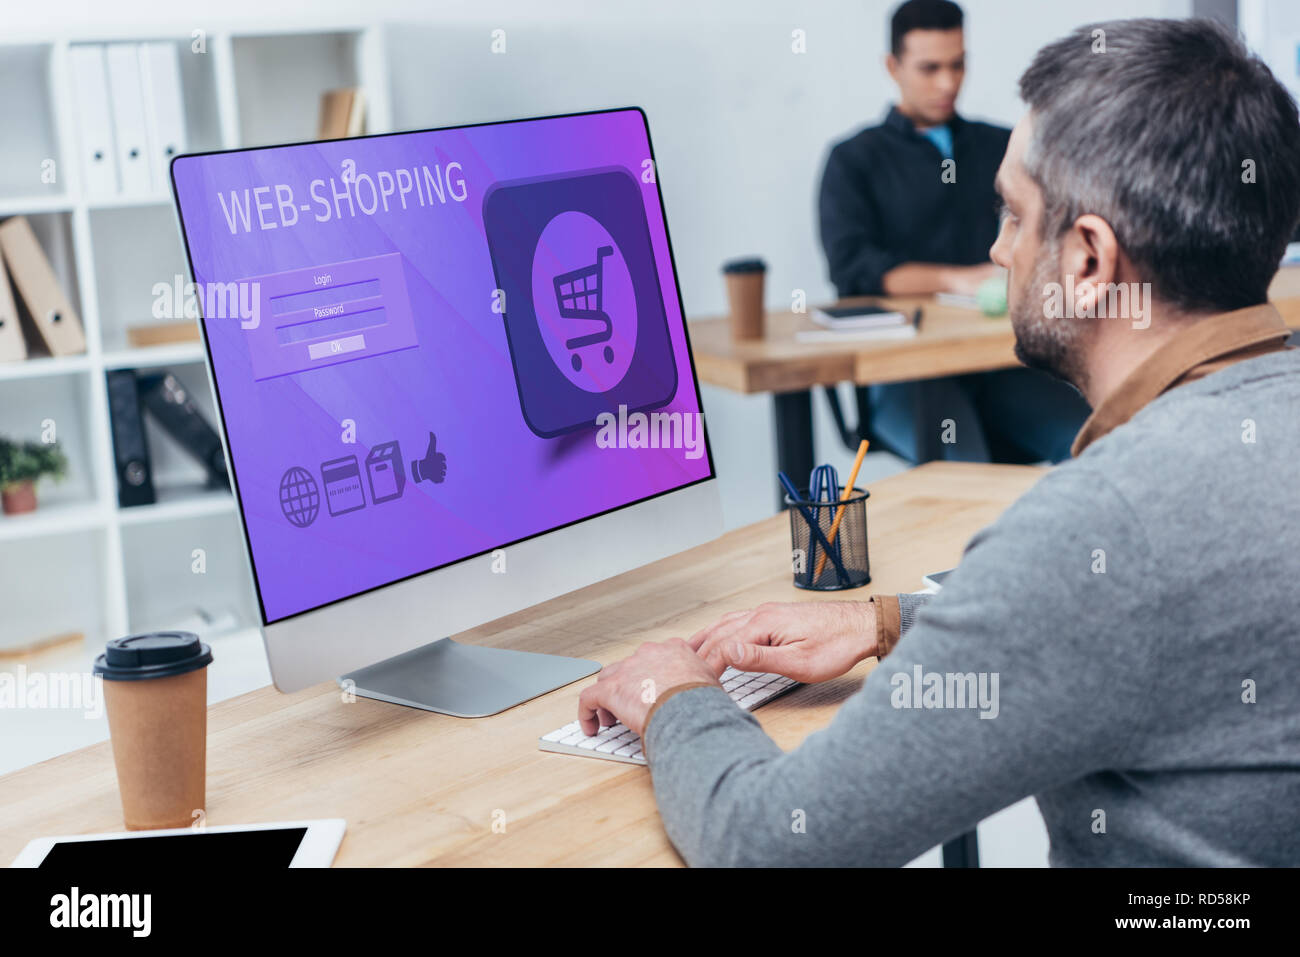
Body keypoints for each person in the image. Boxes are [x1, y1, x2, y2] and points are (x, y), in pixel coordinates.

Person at [578, 17, 1300, 866]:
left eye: (1015, 215)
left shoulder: (1105, 528)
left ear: (1090, 257)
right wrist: (894, 622)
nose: (998, 249)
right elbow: (1158, 614)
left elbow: (771, 843)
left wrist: (672, 693)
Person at [819, 0, 1089, 464]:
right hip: (909, 376)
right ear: (893, 66)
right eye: (930, 68)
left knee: (1096, 440)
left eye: (958, 64)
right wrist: (955, 279)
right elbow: (853, 269)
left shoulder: (1002, 145)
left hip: (1003, 366)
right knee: (965, 468)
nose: (947, 83)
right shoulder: (854, 160)